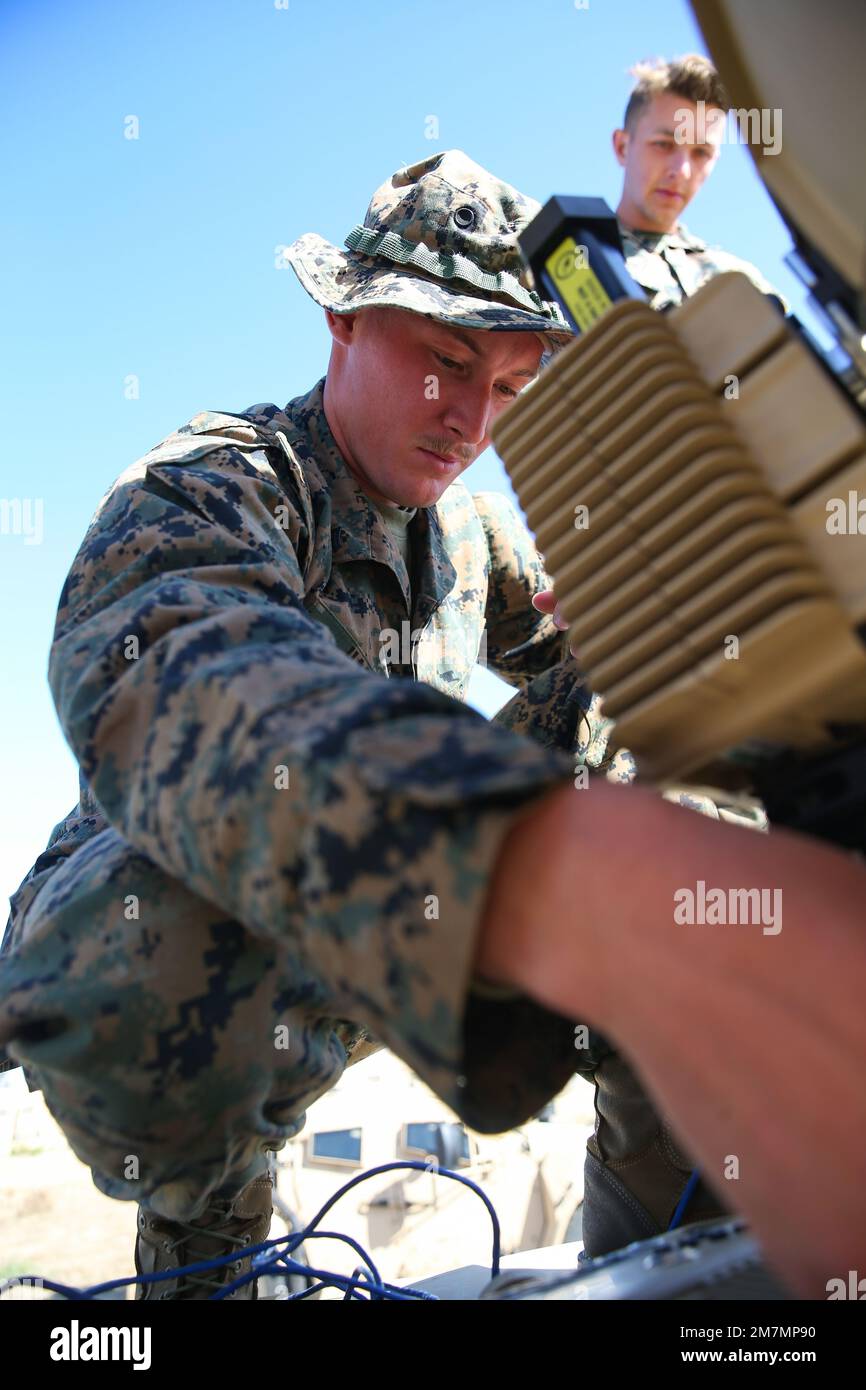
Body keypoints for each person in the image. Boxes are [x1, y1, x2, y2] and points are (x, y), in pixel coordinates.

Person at [0, 150, 863, 1302]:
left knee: (651, 708)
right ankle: (212, 1258)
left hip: (420, 933)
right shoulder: (222, 477)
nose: (468, 418)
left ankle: (669, 1244)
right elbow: (175, 670)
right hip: (241, 933)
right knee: (148, 945)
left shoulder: (467, 533)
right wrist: (569, 880)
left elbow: (590, 681)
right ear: (342, 320)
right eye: (445, 361)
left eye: (509, 387)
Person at [612, 53, 784, 310]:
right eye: (664, 144)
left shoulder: (740, 282)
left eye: (701, 153)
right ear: (623, 147)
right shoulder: (565, 260)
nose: (682, 170)